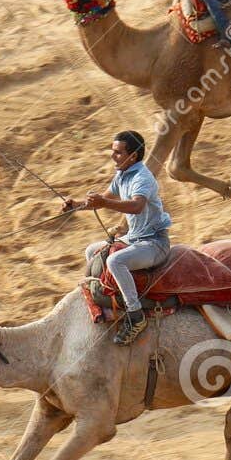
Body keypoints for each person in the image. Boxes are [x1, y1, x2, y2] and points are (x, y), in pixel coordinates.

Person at [64, 130, 172, 345]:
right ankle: (108, 299)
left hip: (154, 243)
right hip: (133, 238)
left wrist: (103, 204)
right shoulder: (122, 174)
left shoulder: (142, 178)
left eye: (118, 153)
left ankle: (136, 316)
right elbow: (103, 198)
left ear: (133, 156)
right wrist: (75, 205)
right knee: (91, 251)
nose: (113, 156)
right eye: (113, 151)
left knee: (115, 261)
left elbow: (136, 205)